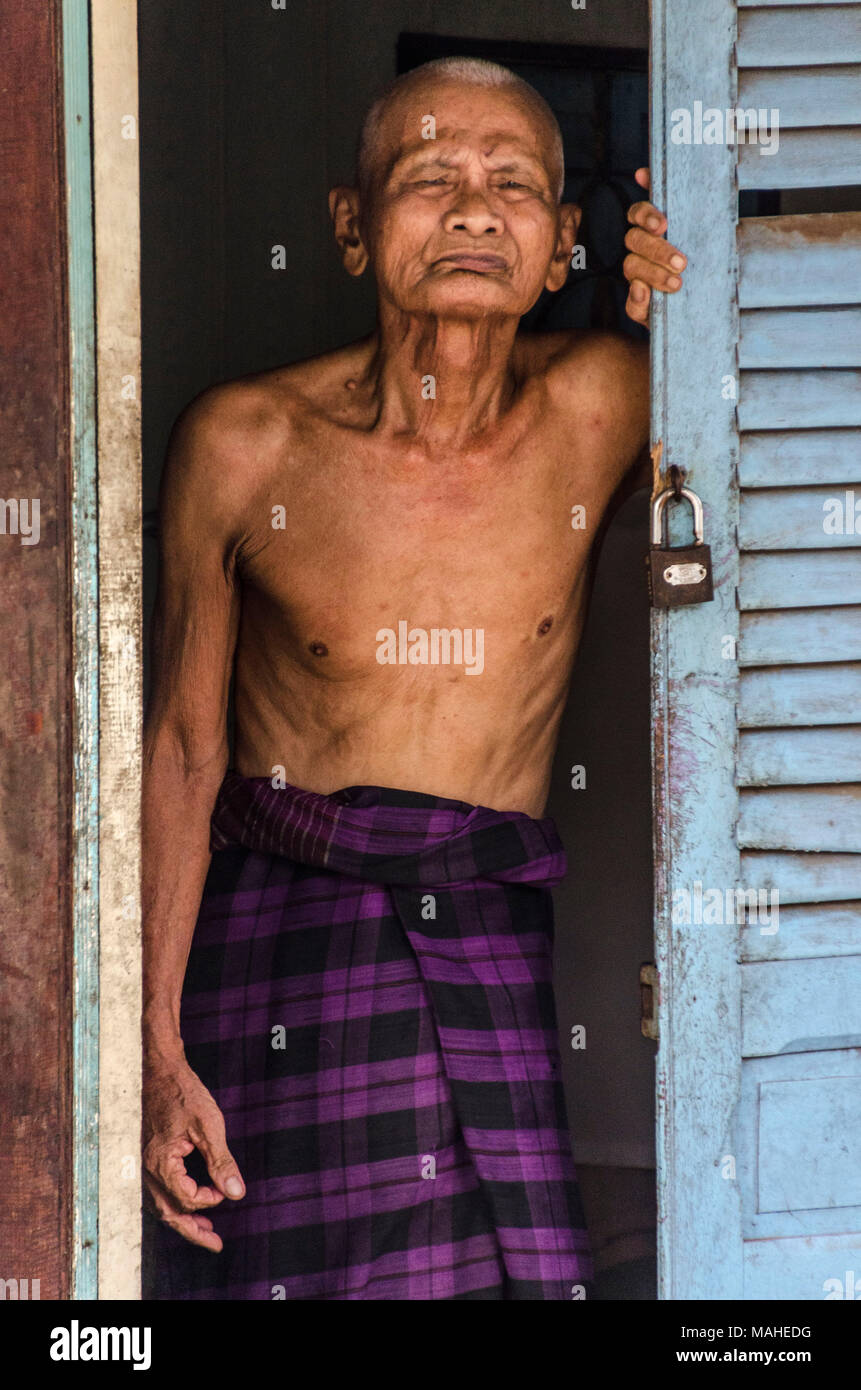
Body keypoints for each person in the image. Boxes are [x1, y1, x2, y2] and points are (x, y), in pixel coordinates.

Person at [143, 55, 686, 1300]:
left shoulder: (606, 399)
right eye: (430, 176)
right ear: (349, 226)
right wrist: (156, 1049)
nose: (473, 209)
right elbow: (179, 749)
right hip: (284, 964)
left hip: (489, 950)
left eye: (514, 184)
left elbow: (763, 379)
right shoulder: (243, 444)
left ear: (560, 248)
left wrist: (685, 279)